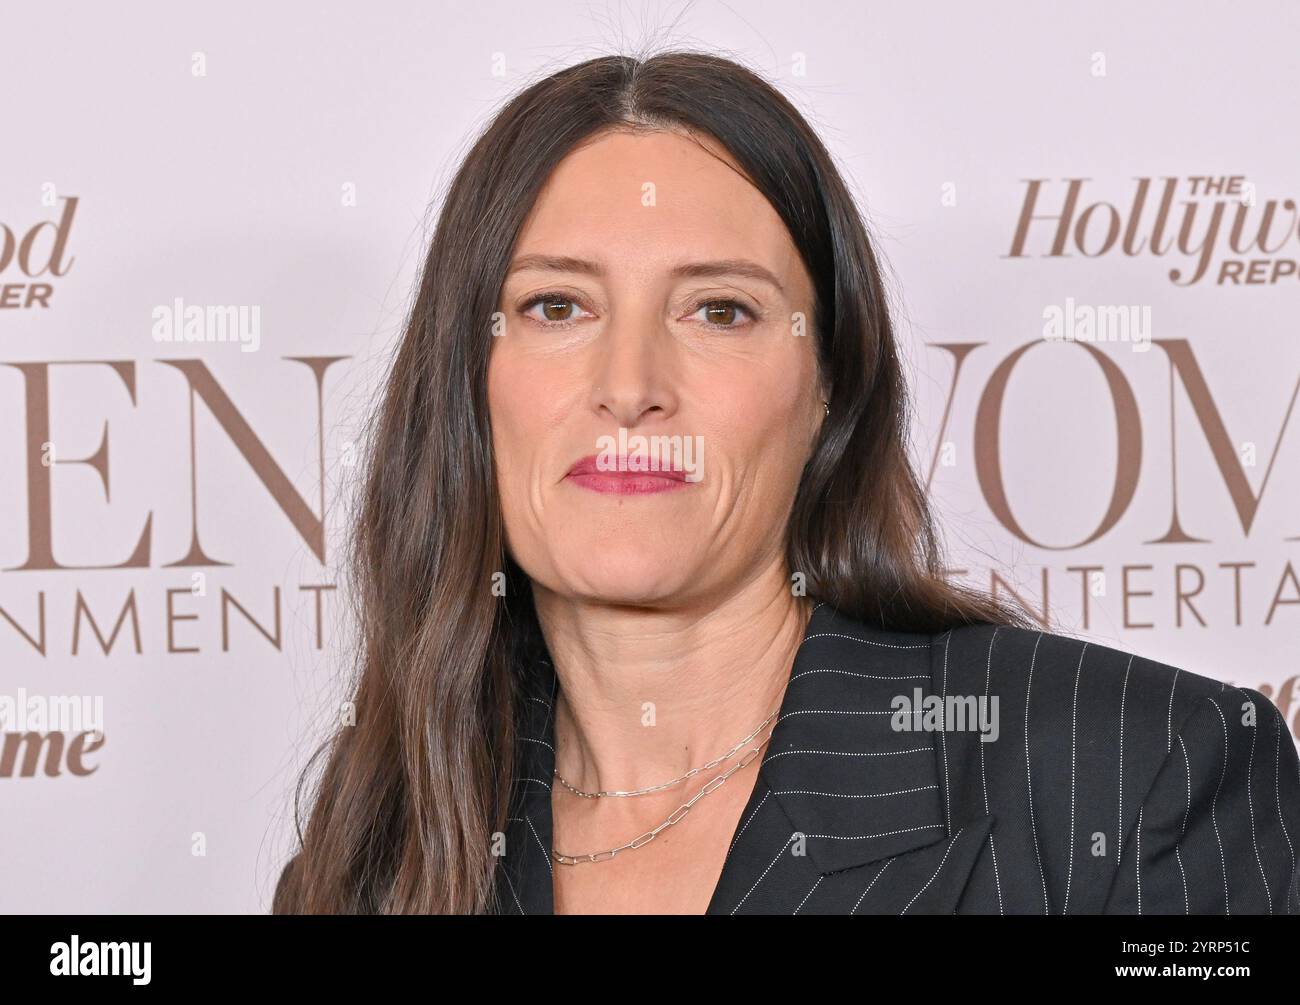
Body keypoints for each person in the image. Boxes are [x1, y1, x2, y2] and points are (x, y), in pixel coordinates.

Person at [272, 50, 1299, 915]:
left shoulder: (1136, 775)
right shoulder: (370, 868)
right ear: (465, 383)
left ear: (827, 392)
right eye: (555, 307)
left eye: (718, 311)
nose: (629, 388)